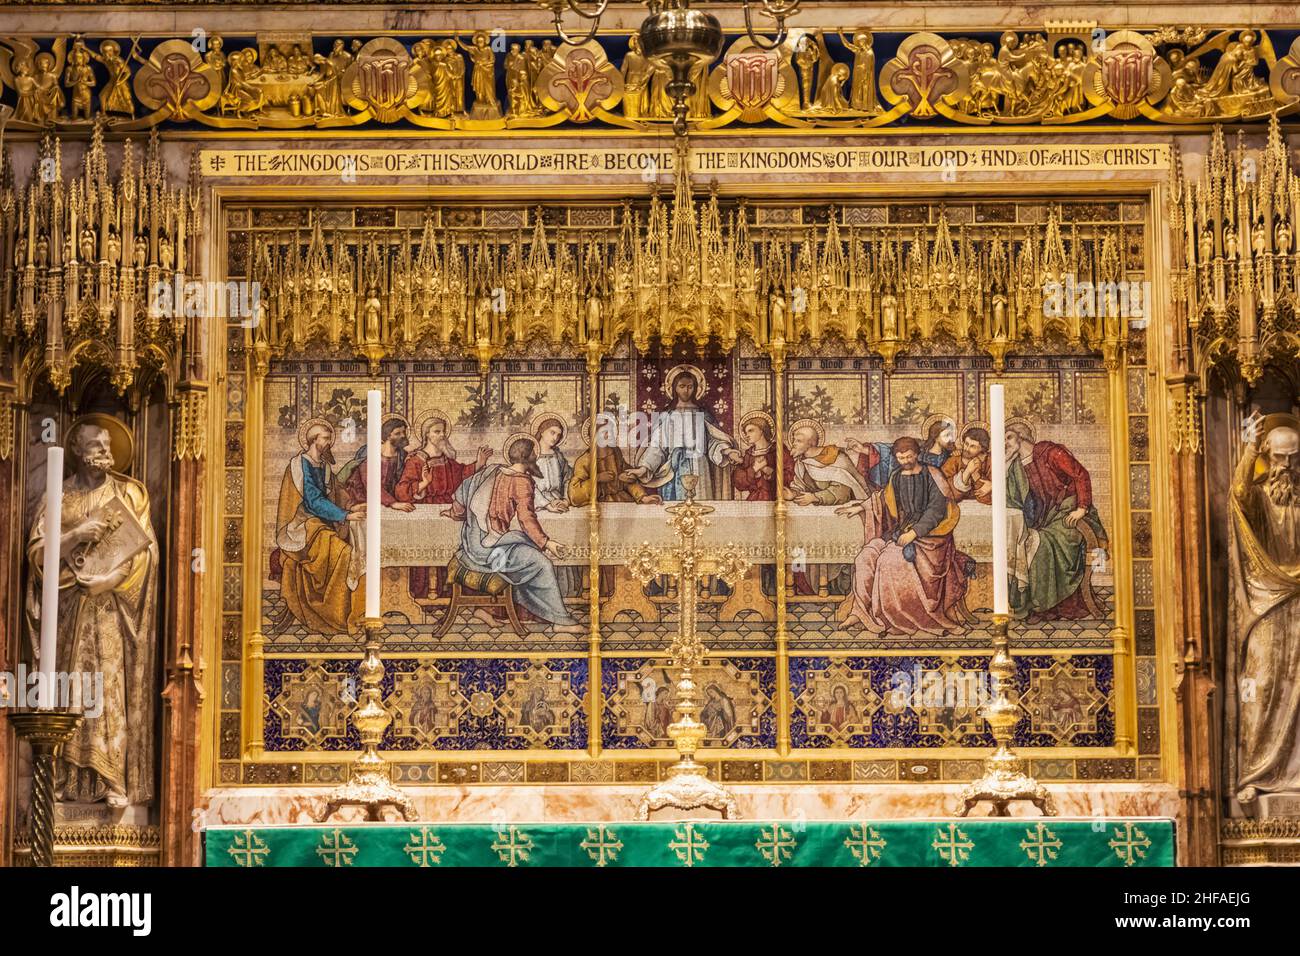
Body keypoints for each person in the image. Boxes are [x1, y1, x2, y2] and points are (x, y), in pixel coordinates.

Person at [25, 418, 158, 807]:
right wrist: (74, 535)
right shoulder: (58, 496)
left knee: (108, 690)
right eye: (96, 444)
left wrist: (111, 580)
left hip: (109, 611)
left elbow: (146, 553)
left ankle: (111, 777)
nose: (104, 450)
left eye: (107, 444)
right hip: (66, 611)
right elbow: (37, 555)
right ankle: (63, 777)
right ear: (77, 451)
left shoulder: (128, 494)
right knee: (69, 691)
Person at [1228, 414, 1300, 806]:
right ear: (1267, 457)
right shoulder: (1258, 496)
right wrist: (1249, 448)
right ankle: (1255, 772)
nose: (1286, 467)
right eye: (1279, 458)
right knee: (1262, 684)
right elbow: (1238, 495)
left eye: (1293, 459)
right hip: (1265, 602)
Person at [837, 436, 974, 635]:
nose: (906, 461)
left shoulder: (932, 475)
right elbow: (884, 499)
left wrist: (914, 532)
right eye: (901, 458)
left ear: (917, 454)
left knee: (888, 560)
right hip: (900, 532)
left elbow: (937, 510)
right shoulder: (896, 476)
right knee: (865, 556)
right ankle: (860, 612)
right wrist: (861, 507)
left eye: (909, 457)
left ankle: (892, 617)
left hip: (930, 537)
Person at [447, 436, 583, 633]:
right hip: (490, 551)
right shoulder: (521, 481)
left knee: (524, 552)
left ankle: (488, 609)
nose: (536, 457)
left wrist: (454, 513)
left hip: (472, 545)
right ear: (528, 457)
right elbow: (526, 519)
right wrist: (547, 543)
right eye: (534, 454)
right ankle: (560, 621)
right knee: (541, 563)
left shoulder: (493, 470)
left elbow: (461, 499)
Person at [1004, 421, 1106, 620]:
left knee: (1041, 545)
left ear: (1022, 436)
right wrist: (1006, 464)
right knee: (1028, 543)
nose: (1005, 443)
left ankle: (1045, 607)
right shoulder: (1017, 465)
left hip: (1072, 514)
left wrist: (1082, 508)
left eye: (1009, 437)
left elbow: (1080, 474)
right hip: (1048, 518)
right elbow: (1013, 498)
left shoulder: (1049, 452)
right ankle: (1041, 605)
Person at [273, 419, 367, 634]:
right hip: (301, 524)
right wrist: (345, 515)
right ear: (313, 440)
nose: (329, 443)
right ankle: (332, 614)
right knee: (344, 552)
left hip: (322, 522)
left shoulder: (323, 466)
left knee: (350, 546)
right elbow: (314, 501)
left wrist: (352, 506)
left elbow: (337, 492)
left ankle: (341, 611)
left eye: (330, 438)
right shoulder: (300, 465)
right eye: (325, 439)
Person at [394, 412, 491, 598]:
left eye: (443, 431)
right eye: (437, 432)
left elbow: (461, 474)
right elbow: (401, 490)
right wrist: (423, 483)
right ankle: (426, 593)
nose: (442, 435)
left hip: (448, 508)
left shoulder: (446, 459)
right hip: (425, 511)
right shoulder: (416, 460)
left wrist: (479, 463)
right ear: (427, 435)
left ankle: (451, 593)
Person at [621, 366, 738, 501]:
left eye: (690, 387)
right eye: (682, 386)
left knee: (702, 504)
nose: (686, 390)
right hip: (674, 469)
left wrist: (727, 451)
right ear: (675, 388)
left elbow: (713, 440)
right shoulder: (667, 415)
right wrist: (644, 468)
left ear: (696, 388)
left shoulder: (703, 414)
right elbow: (657, 446)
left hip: (700, 467)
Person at [786, 420, 871, 505]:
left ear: (811, 443)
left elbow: (842, 492)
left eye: (799, 440)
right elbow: (800, 486)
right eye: (794, 440)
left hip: (849, 506)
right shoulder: (801, 463)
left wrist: (815, 497)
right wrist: (793, 493)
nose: (793, 444)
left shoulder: (836, 457)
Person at [339, 415, 414, 512]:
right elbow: (371, 484)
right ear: (387, 436)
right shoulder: (371, 454)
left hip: (389, 499)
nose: (403, 436)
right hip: (363, 499)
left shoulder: (402, 455)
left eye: (404, 432)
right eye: (397, 433)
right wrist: (393, 503)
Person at [946, 426, 993, 504]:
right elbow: (946, 494)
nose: (966, 449)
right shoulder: (952, 461)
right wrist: (967, 472)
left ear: (982, 449)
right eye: (966, 444)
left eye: (973, 446)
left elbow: (987, 499)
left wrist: (976, 475)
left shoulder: (989, 462)